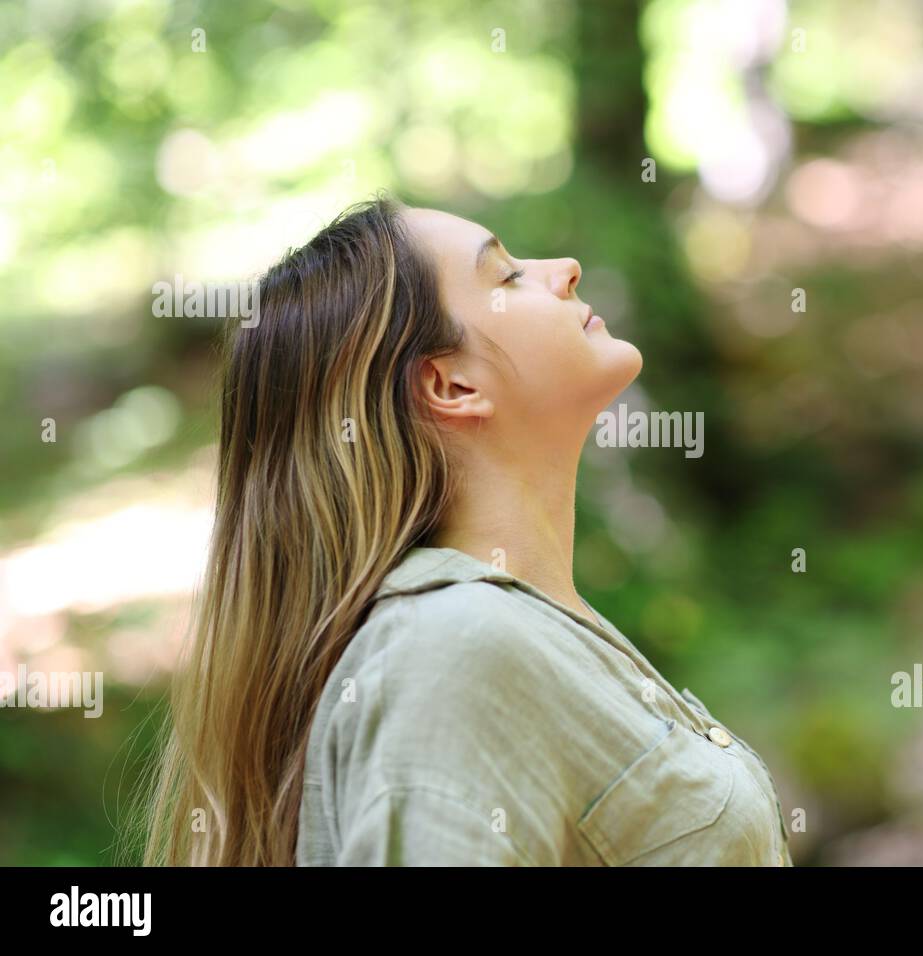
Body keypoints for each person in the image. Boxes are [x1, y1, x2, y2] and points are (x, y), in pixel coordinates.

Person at [141, 197, 792, 866]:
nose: (565, 269)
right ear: (449, 385)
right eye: (507, 276)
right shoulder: (450, 646)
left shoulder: (511, 626)